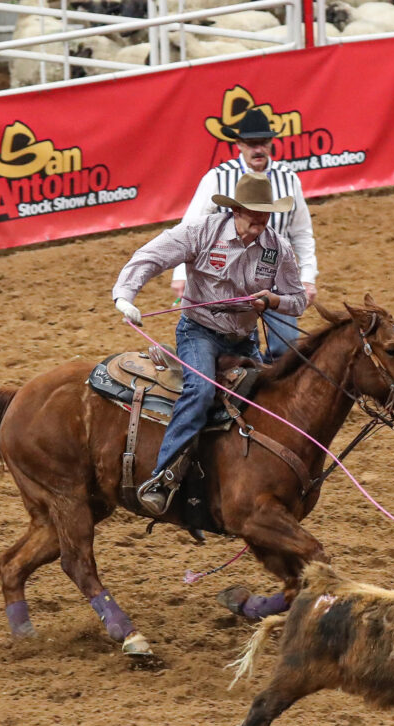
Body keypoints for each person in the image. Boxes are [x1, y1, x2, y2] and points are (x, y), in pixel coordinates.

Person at [111, 172, 307, 517]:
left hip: (244, 340)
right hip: (199, 332)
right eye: (253, 217)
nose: (259, 225)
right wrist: (125, 295)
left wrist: (273, 302)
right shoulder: (201, 232)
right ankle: (163, 476)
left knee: (266, 402)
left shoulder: (278, 248)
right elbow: (151, 256)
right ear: (235, 211)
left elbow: (298, 299)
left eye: (265, 218)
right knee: (200, 390)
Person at [171, 107, 318, 359]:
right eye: (251, 143)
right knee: (240, 353)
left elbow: (302, 232)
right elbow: (190, 227)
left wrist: (307, 276)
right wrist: (180, 273)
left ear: (271, 142)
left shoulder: (289, 178)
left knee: (286, 349)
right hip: (228, 279)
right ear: (238, 144)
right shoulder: (217, 177)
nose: (257, 149)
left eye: (263, 142)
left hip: (275, 277)